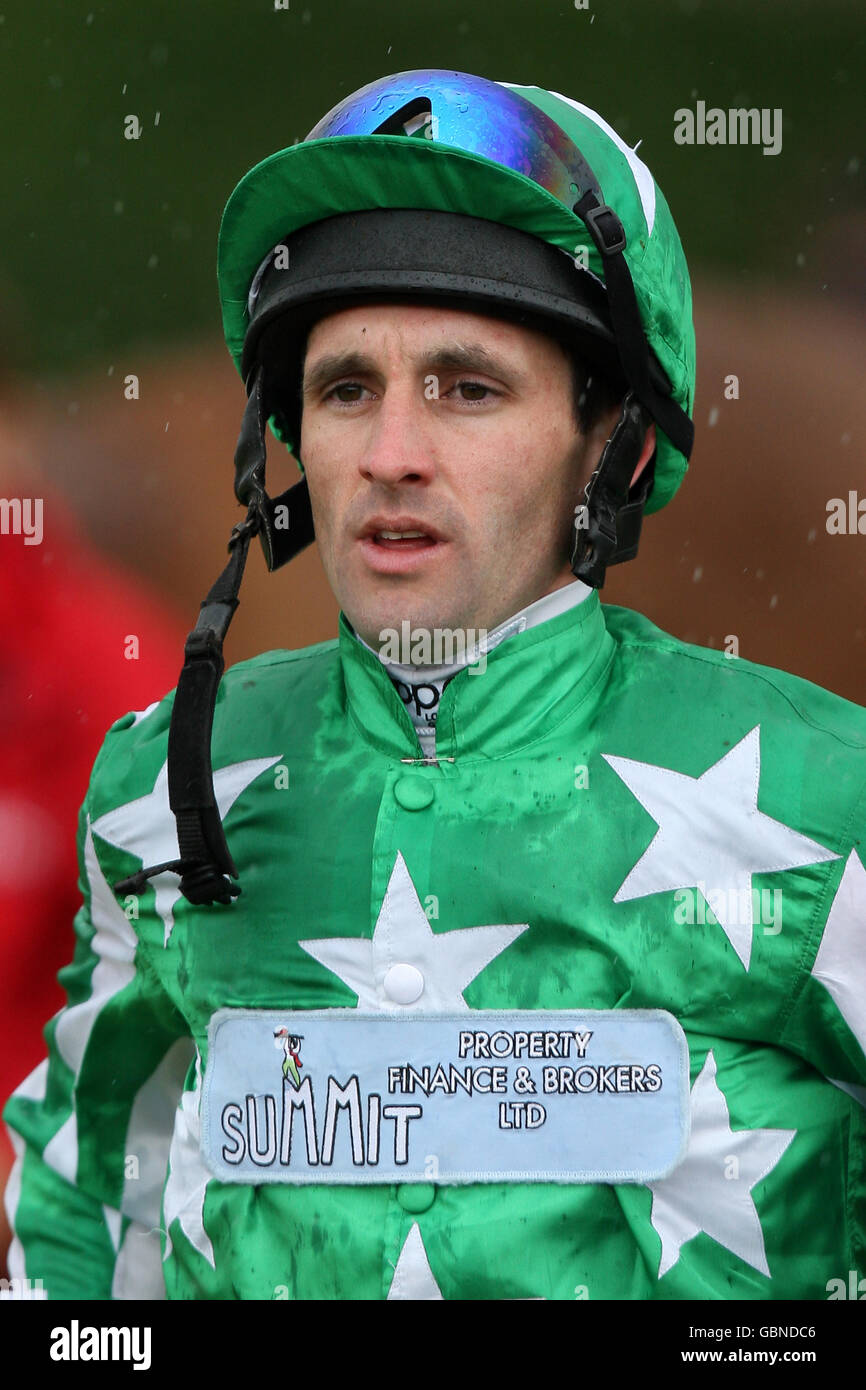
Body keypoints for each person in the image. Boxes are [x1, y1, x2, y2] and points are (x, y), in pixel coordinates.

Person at [4, 70, 864, 1302]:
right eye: (346, 388)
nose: (392, 456)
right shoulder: (160, 785)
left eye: (467, 388)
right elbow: (81, 1230)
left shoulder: (829, 796)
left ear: (609, 434)